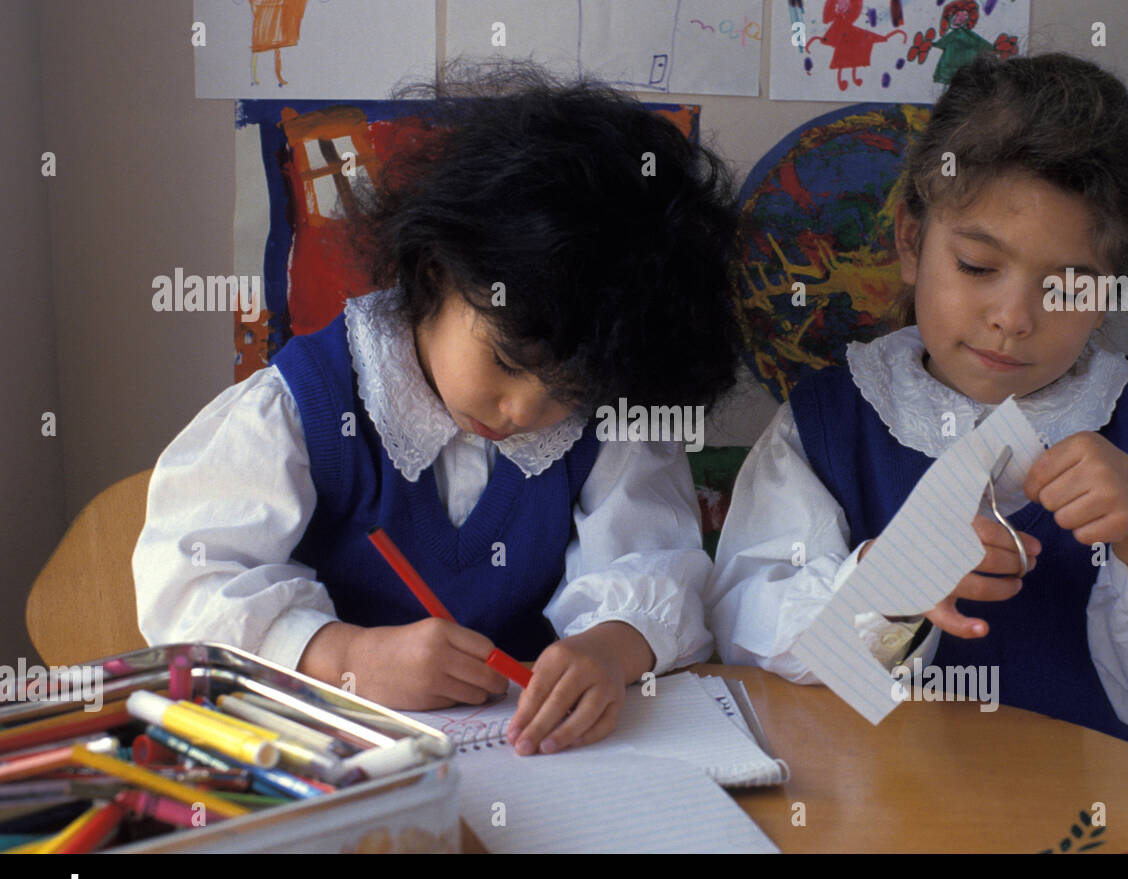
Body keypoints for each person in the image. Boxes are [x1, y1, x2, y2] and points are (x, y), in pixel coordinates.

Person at [134, 66, 743, 756]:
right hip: (326, 763)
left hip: (531, 765)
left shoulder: (607, 420)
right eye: (508, 364)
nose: (526, 410)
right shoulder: (301, 406)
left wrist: (612, 648)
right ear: (435, 273)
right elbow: (190, 584)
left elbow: (656, 565)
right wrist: (343, 656)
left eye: (571, 391)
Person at [707, 52, 1128, 750]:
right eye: (978, 267)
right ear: (909, 241)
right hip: (873, 813)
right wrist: (889, 590)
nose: (1014, 317)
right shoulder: (825, 428)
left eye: (1068, 285)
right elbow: (748, 648)